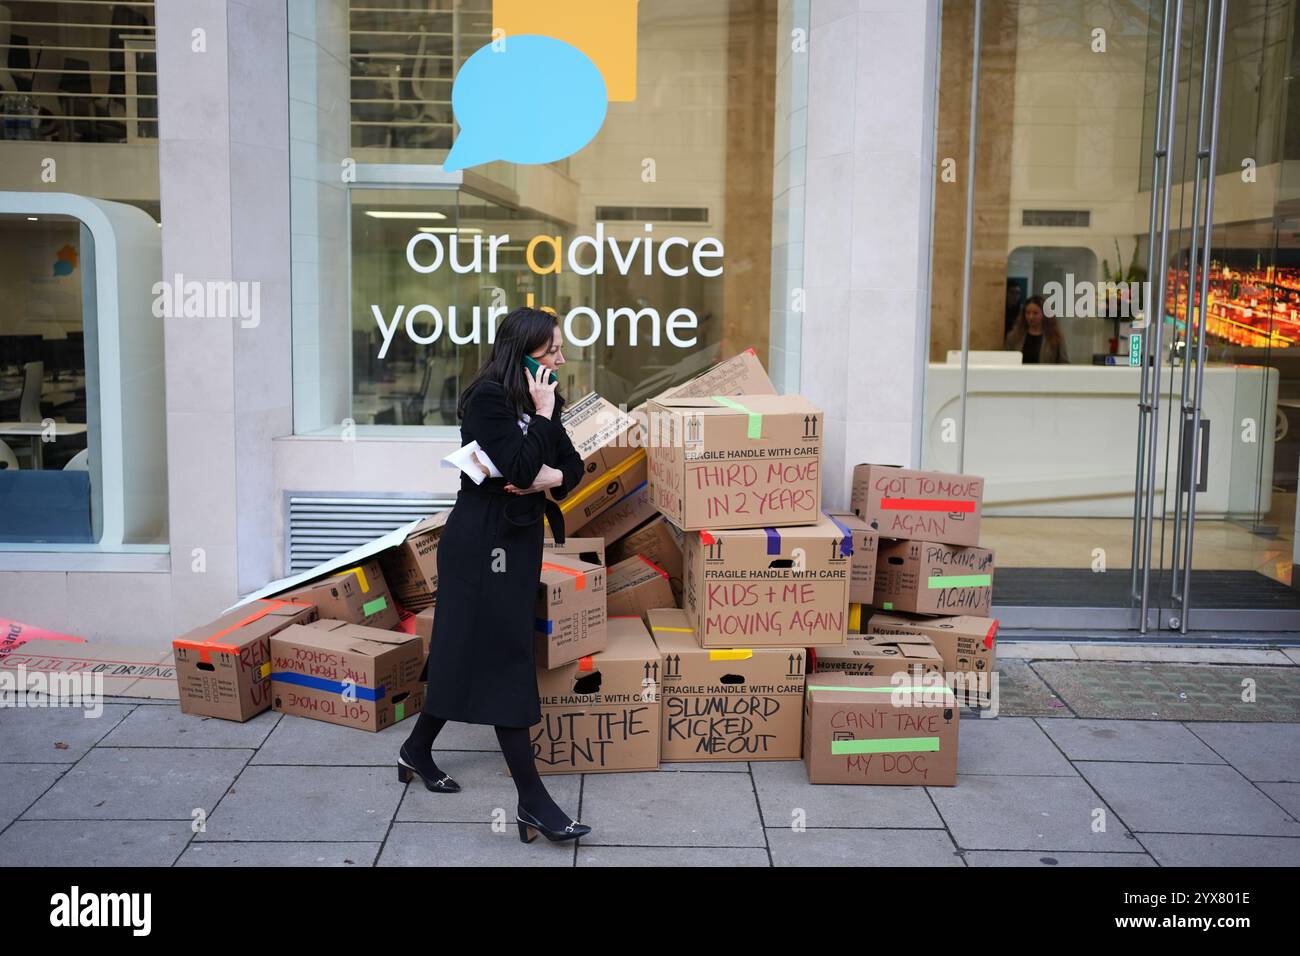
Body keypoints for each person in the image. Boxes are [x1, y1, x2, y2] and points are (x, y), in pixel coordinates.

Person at [397, 307, 591, 845]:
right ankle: (533, 801)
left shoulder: (544, 398)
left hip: (519, 541)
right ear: (523, 350)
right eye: (552, 349)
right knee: (506, 655)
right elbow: (527, 466)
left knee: (463, 650)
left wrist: (543, 473)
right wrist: (543, 435)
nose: (560, 358)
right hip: (482, 543)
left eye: (559, 348)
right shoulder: (488, 398)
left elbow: (571, 470)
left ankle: (415, 749)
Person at [1004, 295, 1069, 364]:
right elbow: (1005, 361)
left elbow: (1064, 363)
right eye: (1028, 313)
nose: (1030, 317)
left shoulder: (1055, 337)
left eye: (1035, 313)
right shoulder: (1014, 337)